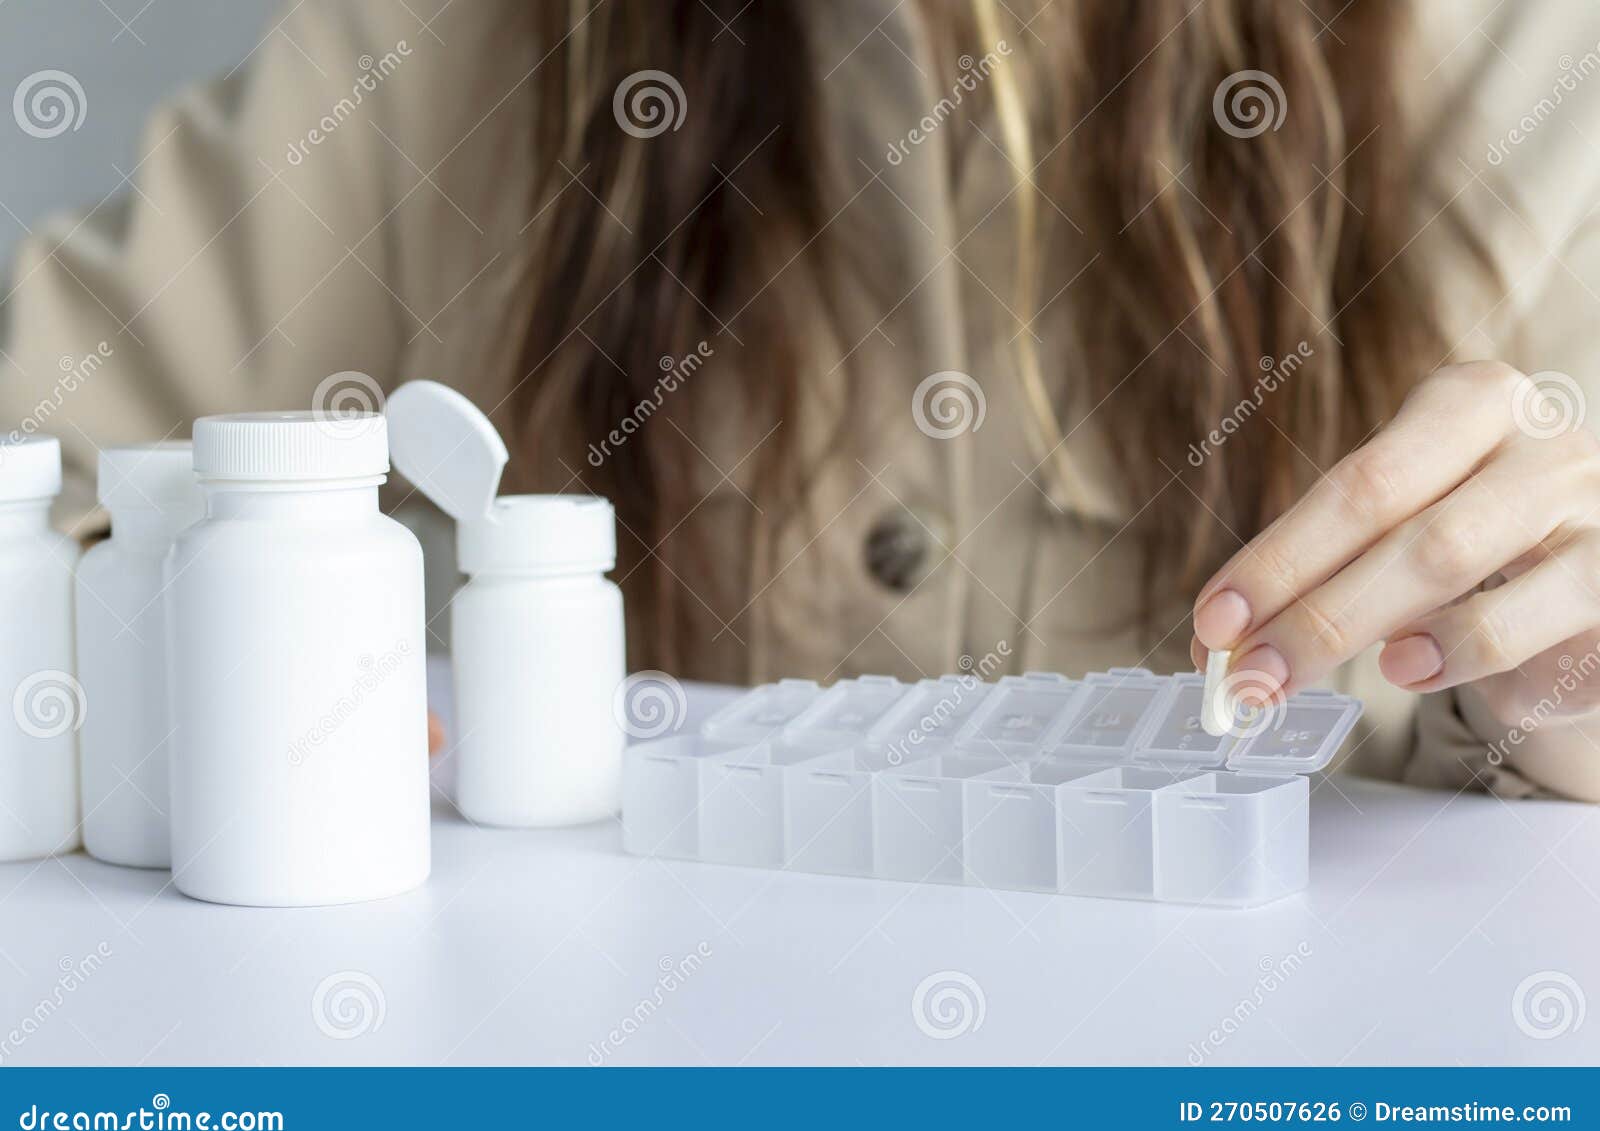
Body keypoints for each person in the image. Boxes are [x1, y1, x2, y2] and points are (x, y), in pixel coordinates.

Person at [5, 0, 1600, 801]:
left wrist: (1560, 701)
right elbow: (50, 471)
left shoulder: (1529, 62)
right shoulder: (455, 49)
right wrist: (244, 682)